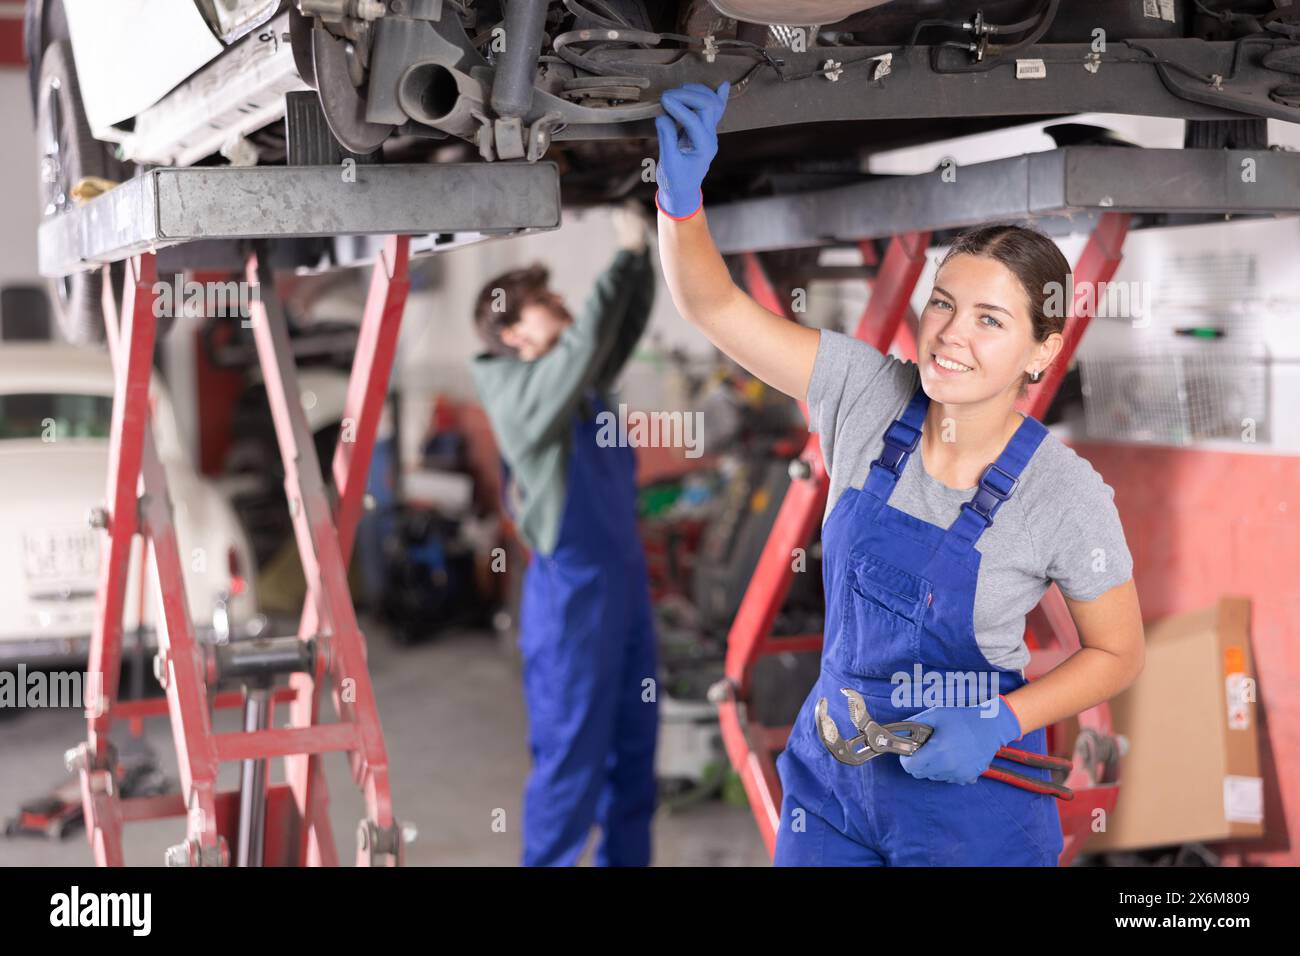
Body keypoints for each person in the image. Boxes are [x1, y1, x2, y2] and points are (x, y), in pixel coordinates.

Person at [653, 82, 1145, 866]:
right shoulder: (865, 393)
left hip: (970, 804)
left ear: (1043, 350)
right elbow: (713, 305)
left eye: (991, 320)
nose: (951, 335)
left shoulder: (1064, 493)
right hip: (833, 784)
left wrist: (1001, 721)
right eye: (944, 303)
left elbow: (1118, 654)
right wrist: (679, 204)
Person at [469, 202, 659, 866]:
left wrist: (641, 258)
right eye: (543, 301)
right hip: (573, 605)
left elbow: (617, 331)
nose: (559, 302)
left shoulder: (578, 387)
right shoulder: (522, 396)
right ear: (514, 335)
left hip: (626, 589)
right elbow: (584, 347)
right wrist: (618, 258)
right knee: (570, 765)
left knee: (635, 756)